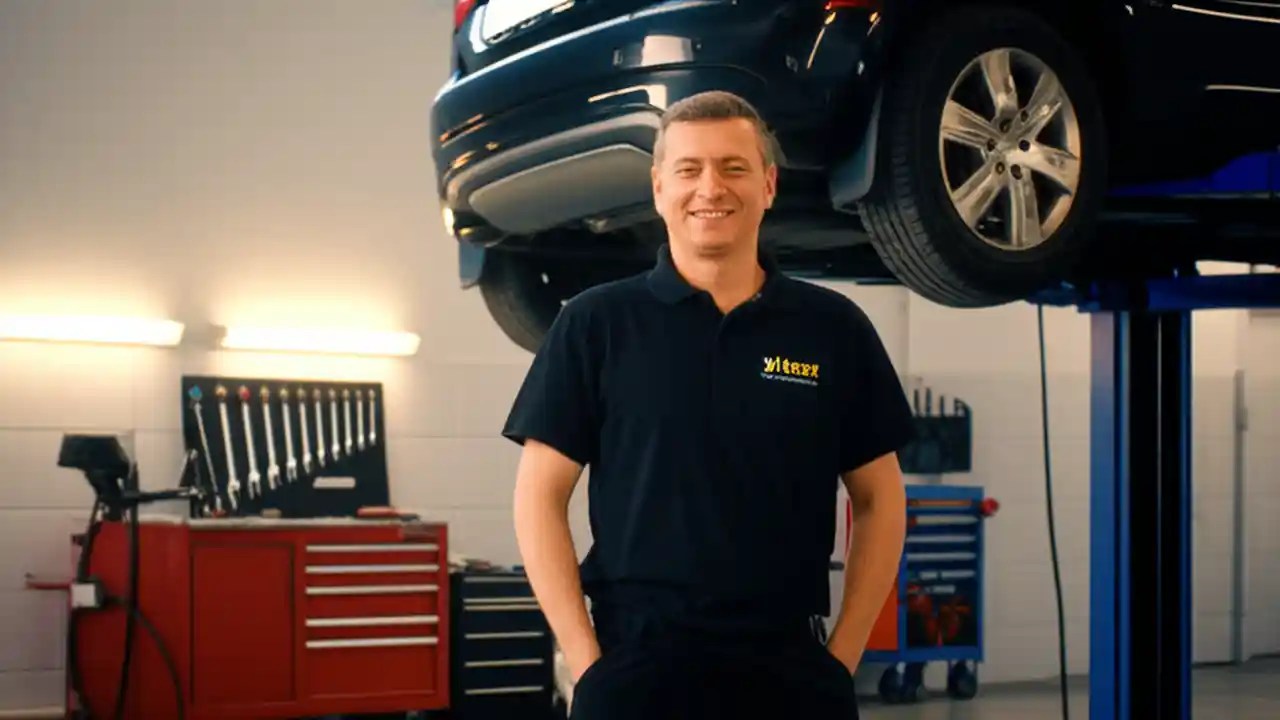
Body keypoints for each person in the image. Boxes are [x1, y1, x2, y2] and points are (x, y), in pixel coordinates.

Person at [503, 90, 914, 719]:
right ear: (659, 187)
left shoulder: (832, 329)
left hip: (789, 671)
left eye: (734, 167)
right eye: (689, 169)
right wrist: (587, 664)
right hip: (636, 667)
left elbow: (880, 498)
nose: (710, 187)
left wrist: (841, 659)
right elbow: (538, 495)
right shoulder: (596, 324)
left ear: (769, 184)